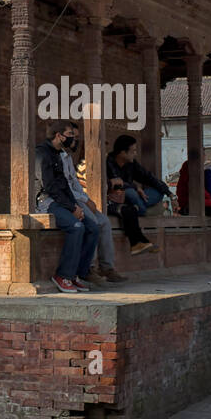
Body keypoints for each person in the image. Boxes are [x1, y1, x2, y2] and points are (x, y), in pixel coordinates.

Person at [35, 121, 100, 293]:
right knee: (76, 227)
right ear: (59, 136)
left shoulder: (58, 154)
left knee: (92, 227)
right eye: (70, 135)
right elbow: (49, 187)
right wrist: (72, 208)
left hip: (62, 201)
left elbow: (64, 184)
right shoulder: (42, 154)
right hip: (45, 202)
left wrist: (75, 206)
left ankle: (75, 275)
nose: (73, 139)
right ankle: (62, 275)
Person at [59, 123, 129, 280]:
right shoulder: (59, 157)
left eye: (77, 138)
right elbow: (65, 186)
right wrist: (84, 199)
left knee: (104, 221)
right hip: (68, 200)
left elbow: (74, 183)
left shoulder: (68, 158)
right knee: (93, 222)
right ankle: (88, 267)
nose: (74, 141)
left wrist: (87, 199)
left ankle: (107, 267)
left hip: (79, 197)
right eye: (73, 137)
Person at [107, 135, 172, 215]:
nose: (136, 154)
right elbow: (118, 185)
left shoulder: (131, 163)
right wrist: (135, 187)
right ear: (123, 152)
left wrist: (170, 194)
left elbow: (148, 176)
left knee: (158, 192)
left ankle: (136, 208)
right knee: (130, 193)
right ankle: (143, 211)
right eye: (133, 151)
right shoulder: (109, 162)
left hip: (133, 198)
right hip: (117, 198)